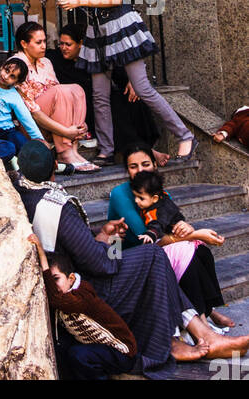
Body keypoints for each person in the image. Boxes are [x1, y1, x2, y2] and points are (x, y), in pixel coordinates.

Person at [15, 140, 206, 373]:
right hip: (84, 290)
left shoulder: (20, 190)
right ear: (55, 166)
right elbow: (104, 265)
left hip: (64, 276)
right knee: (153, 256)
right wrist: (114, 240)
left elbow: (74, 245)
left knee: (155, 257)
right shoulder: (58, 206)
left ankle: (198, 329)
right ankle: (166, 343)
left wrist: (103, 233)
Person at [10, 0, 194, 164]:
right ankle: (106, 150)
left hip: (119, 26)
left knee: (143, 88)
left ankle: (185, 136)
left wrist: (78, 1)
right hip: (97, 32)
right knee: (99, 95)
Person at [129, 171, 249, 355]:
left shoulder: (162, 201)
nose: (136, 201)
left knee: (201, 251)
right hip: (151, 254)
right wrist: (193, 234)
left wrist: (188, 229)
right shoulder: (132, 203)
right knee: (186, 252)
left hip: (168, 243)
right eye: (135, 197)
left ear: (155, 196)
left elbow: (171, 222)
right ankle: (201, 326)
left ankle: (207, 312)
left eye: (140, 198)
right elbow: (156, 234)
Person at [48, 23, 168, 164]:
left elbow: (119, 73)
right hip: (85, 109)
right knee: (112, 112)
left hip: (103, 101)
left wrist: (131, 81)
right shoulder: (55, 59)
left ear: (80, 44)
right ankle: (146, 152)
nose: (63, 48)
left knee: (131, 100)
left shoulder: (93, 57)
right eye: (61, 44)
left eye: (68, 44)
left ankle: (146, 145)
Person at [28, 233, 137, 380]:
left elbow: (56, 299)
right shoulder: (65, 294)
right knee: (61, 348)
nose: (51, 286)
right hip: (96, 347)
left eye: (56, 279)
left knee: (78, 354)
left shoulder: (82, 295)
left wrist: (41, 252)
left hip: (121, 352)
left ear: (71, 278)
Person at [10, 22, 95, 170]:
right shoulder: (15, 64)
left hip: (52, 126)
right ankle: (63, 153)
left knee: (77, 89)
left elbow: (61, 100)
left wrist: (78, 126)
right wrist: (66, 131)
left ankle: (73, 150)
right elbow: (33, 113)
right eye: (38, 42)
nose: (44, 46)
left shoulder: (46, 62)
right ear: (24, 44)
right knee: (60, 91)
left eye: (44, 41)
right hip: (29, 127)